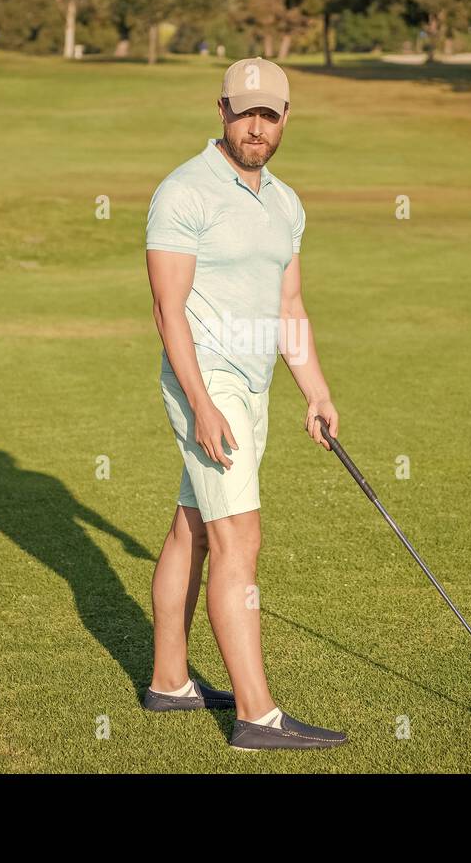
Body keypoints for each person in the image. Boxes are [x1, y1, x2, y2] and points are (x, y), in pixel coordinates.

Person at [143, 56, 347, 751]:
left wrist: (315, 392)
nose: (255, 126)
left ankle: (170, 681)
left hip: (254, 385)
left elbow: (290, 305)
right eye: (243, 111)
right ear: (220, 109)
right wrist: (201, 402)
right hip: (207, 382)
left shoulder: (286, 204)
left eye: (269, 114)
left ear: (286, 118)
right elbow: (168, 311)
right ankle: (258, 716)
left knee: (192, 528)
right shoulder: (184, 192)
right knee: (241, 538)